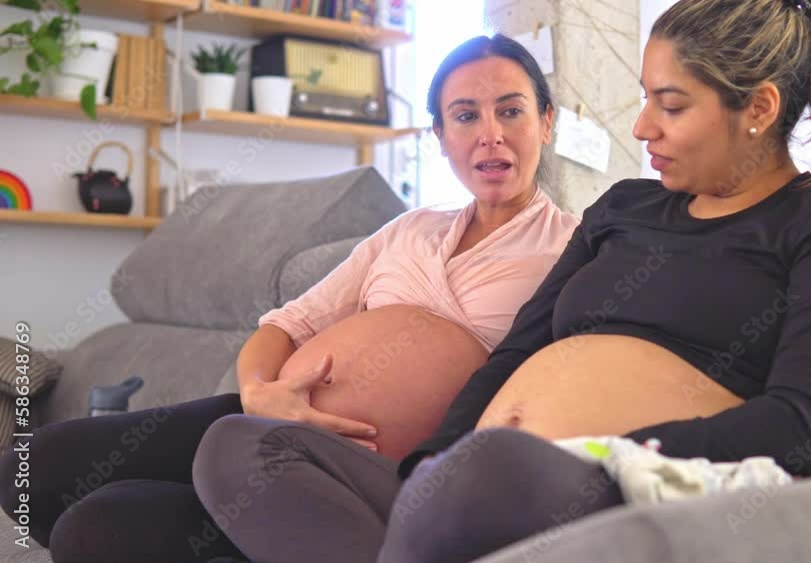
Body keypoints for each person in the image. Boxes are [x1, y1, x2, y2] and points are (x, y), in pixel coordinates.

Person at [193, 1, 811, 562]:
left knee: (486, 473)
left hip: (607, 484)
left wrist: (609, 449)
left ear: (760, 110)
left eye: (672, 105)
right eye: (646, 98)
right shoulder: (625, 207)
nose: (644, 125)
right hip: (481, 472)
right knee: (238, 445)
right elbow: (514, 353)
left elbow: (803, 420)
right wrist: (432, 463)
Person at [0, 33, 578, 563]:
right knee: (33, 470)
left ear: (546, 121)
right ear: (440, 136)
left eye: (511, 110)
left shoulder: (576, 249)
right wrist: (260, 392)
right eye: (465, 116)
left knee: (95, 531)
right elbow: (285, 324)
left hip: (356, 475)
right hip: (260, 424)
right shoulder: (411, 230)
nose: (490, 134)